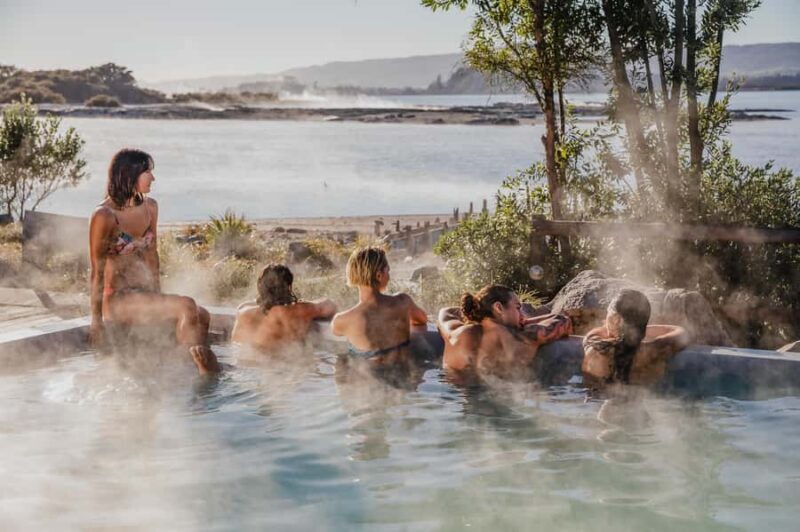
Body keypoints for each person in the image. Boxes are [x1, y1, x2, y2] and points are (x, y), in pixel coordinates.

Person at [89, 148, 219, 375]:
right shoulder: (105, 215)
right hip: (119, 299)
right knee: (186, 305)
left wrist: (159, 298)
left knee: (202, 314)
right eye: (148, 172)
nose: (153, 178)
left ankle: (173, 364)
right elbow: (96, 271)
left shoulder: (150, 207)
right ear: (130, 174)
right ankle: (189, 372)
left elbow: (152, 256)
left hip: (145, 294)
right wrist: (96, 320)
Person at [438, 285, 573, 381]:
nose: (522, 315)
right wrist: (525, 323)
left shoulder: (454, 333)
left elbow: (446, 311)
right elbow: (562, 321)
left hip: (459, 401)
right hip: (501, 407)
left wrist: (478, 313)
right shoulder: (520, 337)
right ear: (499, 307)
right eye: (518, 308)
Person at [331, 247, 428, 367]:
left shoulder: (342, 320)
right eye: (388, 271)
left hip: (367, 380)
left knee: (343, 361)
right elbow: (422, 320)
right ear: (379, 275)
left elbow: (336, 332)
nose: (389, 275)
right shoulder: (403, 302)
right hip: (404, 377)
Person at [582, 289, 690, 387]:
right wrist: (637, 329)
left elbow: (592, 334)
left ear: (615, 319)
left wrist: (619, 329)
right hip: (644, 406)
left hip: (600, 406)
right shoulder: (655, 351)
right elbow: (681, 333)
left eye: (608, 314)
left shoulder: (596, 351)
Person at [232, 264, 337, 353]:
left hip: (244, 369)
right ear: (288, 287)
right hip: (278, 370)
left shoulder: (242, 311)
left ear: (260, 286)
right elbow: (329, 305)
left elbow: (236, 347)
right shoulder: (292, 311)